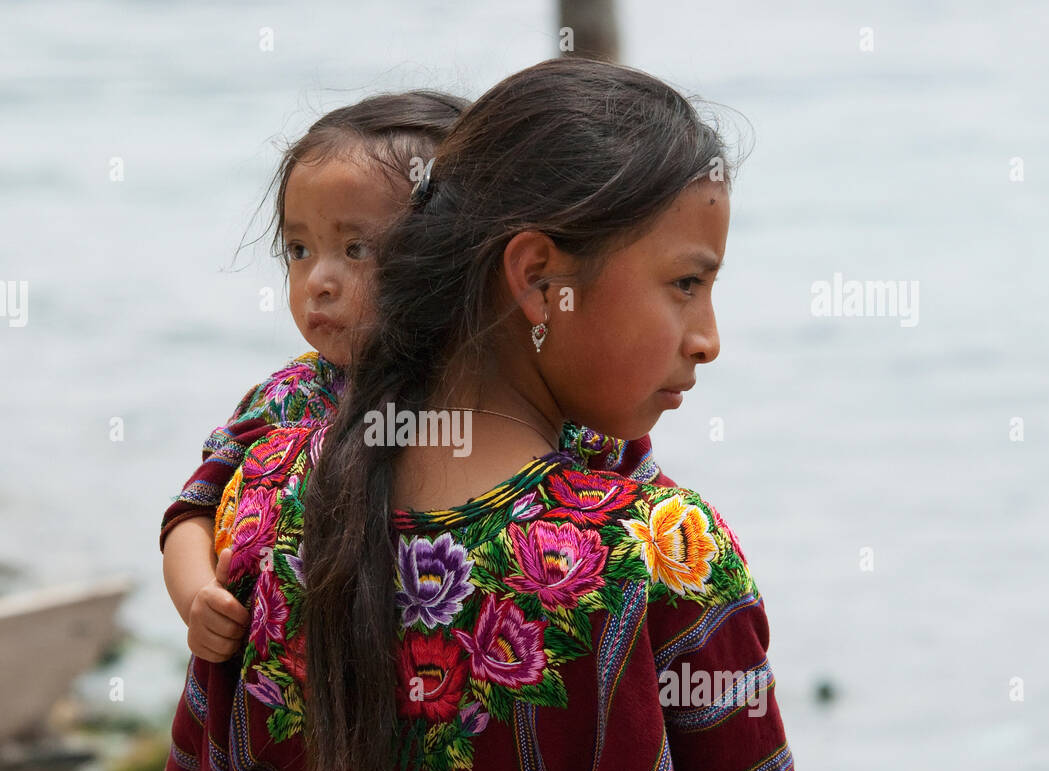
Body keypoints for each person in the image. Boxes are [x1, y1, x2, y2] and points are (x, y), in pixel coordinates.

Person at [165, 58, 813, 771]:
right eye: (686, 283)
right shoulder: (664, 557)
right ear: (538, 279)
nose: (708, 338)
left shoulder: (259, 508)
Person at [159, 90, 674, 668]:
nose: (318, 281)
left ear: (450, 255)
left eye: (356, 249)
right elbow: (192, 511)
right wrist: (197, 596)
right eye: (299, 249)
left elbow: (651, 533)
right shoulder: (286, 402)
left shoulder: (543, 409)